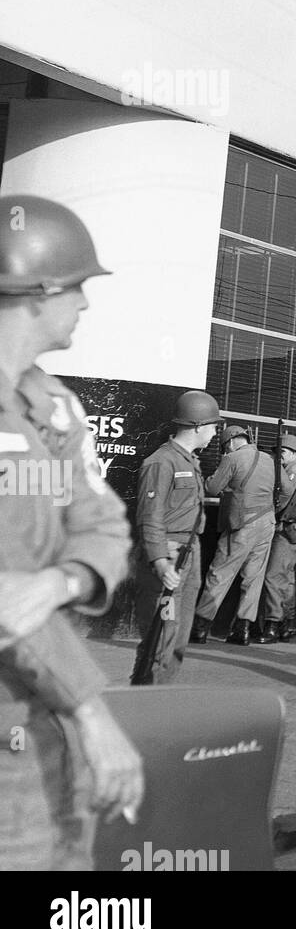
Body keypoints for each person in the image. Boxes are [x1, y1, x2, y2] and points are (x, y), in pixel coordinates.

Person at [0, 195, 142, 868]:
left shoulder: (50, 407)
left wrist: (66, 576)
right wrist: (94, 712)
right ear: (42, 290)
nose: (86, 303)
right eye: (79, 285)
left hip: (40, 716)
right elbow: (6, 601)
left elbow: (103, 522)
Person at [131, 390, 220, 683]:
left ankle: (161, 703)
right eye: (212, 425)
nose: (214, 432)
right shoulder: (161, 462)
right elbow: (150, 516)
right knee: (161, 639)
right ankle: (143, 711)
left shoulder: (189, 462)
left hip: (188, 554)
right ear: (197, 425)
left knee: (178, 640)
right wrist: (159, 562)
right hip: (168, 557)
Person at [191, 423, 276, 647]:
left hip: (242, 524)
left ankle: (200, 628)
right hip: (268, 523)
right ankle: (243, 630)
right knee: (253, 578)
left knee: (220, 574)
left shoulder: (232, 459)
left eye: (224, 448)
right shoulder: (269, 459)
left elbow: (212, 488)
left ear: (229, 442)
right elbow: (285, 489)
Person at [254, 433, 296, 644]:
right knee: (287, 577)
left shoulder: (294, 471)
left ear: (294, 453)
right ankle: (285, 623)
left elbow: (283, 500)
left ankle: (273, 623)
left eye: (281, 452)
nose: (278, 456)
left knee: (274, 576)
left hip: (287, 529)